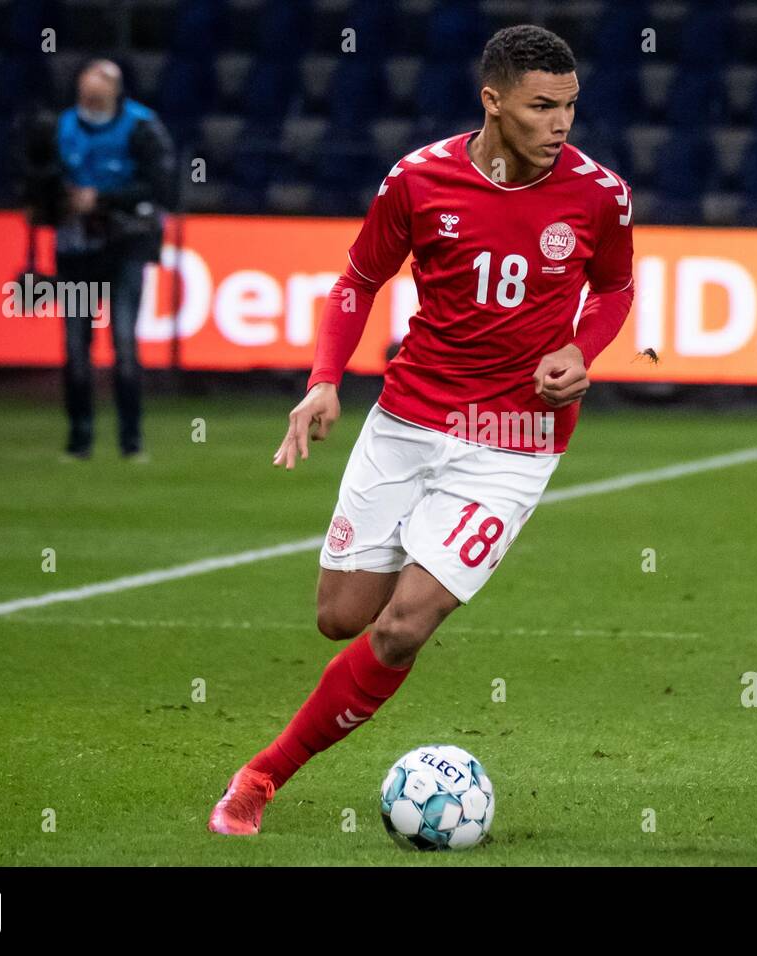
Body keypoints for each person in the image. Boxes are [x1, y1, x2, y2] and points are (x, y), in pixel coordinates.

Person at [208, 25, 635, 835]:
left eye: (571, 107)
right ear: (494, 100)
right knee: (341, 616)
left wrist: (584, 348)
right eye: (542, 106)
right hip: (409, 418)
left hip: (514, 440)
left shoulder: (599, 194)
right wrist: (324, 381)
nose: (560, 125)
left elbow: (614, 288)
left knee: (403, 626)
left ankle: (260, 777)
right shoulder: (417, 180)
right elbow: (357, 280)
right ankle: (400, 562)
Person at [55, 59, 174, 460]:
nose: (91, 94)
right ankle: (79, 439)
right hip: (75, 250)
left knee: (124, 343)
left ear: (115, 90)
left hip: (125, 245)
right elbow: (37, 177)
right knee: (75, 348)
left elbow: (160, 184)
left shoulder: (142, 127)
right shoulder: (61, 127)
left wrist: (102, 200)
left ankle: (131, 440)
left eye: (99, 87)